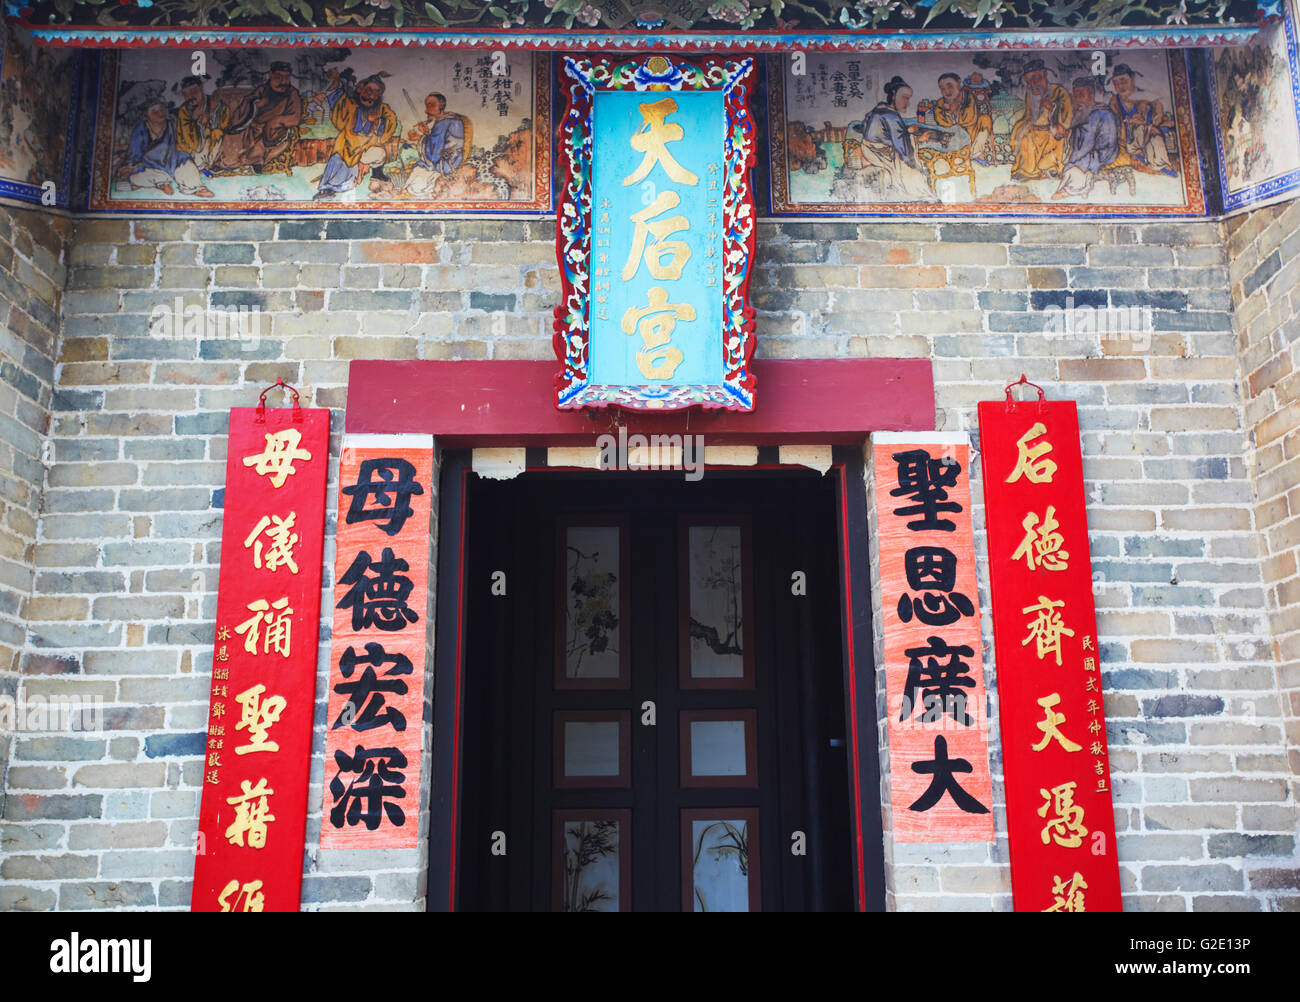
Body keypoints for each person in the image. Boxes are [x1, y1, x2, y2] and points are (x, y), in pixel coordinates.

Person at [313, 70, 398, 200]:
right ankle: (328, 190)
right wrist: (336, 81)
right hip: (347, 144)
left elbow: (391, 121)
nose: (372, 95)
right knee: (339, 161)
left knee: (380, 153)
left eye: (376, 92)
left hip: (368, 146)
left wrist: (378, 121)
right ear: (360, 89)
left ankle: (377, 174)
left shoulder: (382, 109)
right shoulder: (349, 104)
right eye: (369, 90)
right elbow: (337, 103)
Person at [209, 62, 304, 175]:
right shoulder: (263, 90)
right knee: (232, 148)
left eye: (286, 77)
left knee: (255, 151)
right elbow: (246, 104)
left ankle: (254, 160)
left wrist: (275, 121)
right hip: (250, 129)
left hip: (273, 133)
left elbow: (295, 118)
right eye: (279, 77)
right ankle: (224, 162)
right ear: (271, 75)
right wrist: (257, 105)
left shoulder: (292, 94)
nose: (283, 82)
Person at [855, 75, 934, 201]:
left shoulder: (877, 110)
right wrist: (914, 159)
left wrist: (906, 131)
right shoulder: (891, 116)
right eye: (904, 97)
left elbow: (870, 130)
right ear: (893, 94)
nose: (907, 103)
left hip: (868, 149)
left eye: (908, 99)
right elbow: (903, 149)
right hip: (880, 155)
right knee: (915, 175)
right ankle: (927, 198)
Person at [117, 101, 214, 198]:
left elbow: (185, 141)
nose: (160, 113)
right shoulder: (141, 129)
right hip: (151, 165)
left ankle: (196, 188)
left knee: (188, 166)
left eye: (162, 110)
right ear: (146, 114)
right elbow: (135, 153)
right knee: (139, 175)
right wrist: (129, 166)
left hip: (174, 162)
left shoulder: (173, 125)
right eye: (155, 111)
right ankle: (161, 184)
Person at [1052, 77, 1121, 199]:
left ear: (1090, 94)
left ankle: (1071, 188)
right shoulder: (1079, 114)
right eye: (1074, 96)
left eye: (1080, 94)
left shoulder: (1105, 114)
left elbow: (1107, 148)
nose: (1077, 99)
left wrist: (1085, 163)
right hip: (1078, 156)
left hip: (1099, 156)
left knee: (1075, 172)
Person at [1108, 63, 1176, 177]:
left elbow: (1158, 106)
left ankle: (1162, 166)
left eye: (1123, 81)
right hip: (1130, 137)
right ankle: (1141, 156)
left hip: (1148, 131)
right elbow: (1117, 122)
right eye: (1116, 83)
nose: (1120, 86)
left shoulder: (1144, 95)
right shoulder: (1115, 101)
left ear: (1132, 78)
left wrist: (1157, 116)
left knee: (1154, 137)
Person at [1010, 59, 1072, 182]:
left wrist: (1052, 107)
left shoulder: (1059, 91)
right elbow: (1028, 116)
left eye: (1036, 78)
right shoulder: (1030, 95)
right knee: (1025, 138)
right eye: (1028, 81)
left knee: (1056, 137)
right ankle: (1026, 170)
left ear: (1045, 75)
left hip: (1052, 131)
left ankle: (1051, 168)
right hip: (1034, 131)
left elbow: (1066, 115)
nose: (1032, 84)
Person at [403, 92, 468, 197]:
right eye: (426, 106)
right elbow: (434, 144)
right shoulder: (446, 120)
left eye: (431, 105)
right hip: (444, 159)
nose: (426, 110)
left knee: (415, 186)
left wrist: (424, 135)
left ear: (441, 105)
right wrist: (422, 137)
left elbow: (434, 154)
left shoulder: (447, 122)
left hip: (446, 163)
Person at [932, 71, 993, 167]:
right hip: (952, 135)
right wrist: (948, 113)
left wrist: (955, 109)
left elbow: (968, 120)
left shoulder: (969, 98)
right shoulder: (940, 103)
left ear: (958, 84)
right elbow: (943, 123)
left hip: (971, 132)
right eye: (942, 89)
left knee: (986, 119)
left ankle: (975, 153)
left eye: (950, 86)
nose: (947, 91)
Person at [175, 75, 228, 173]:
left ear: (201, 88)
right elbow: (187, 140)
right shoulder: (184, 111)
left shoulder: (217, 105)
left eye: (193, 92)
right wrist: (198, 124)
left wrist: (211, 124)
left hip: (217, 146)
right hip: (195, 149)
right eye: (186, 94)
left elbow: (225, 127)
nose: (190, 97)